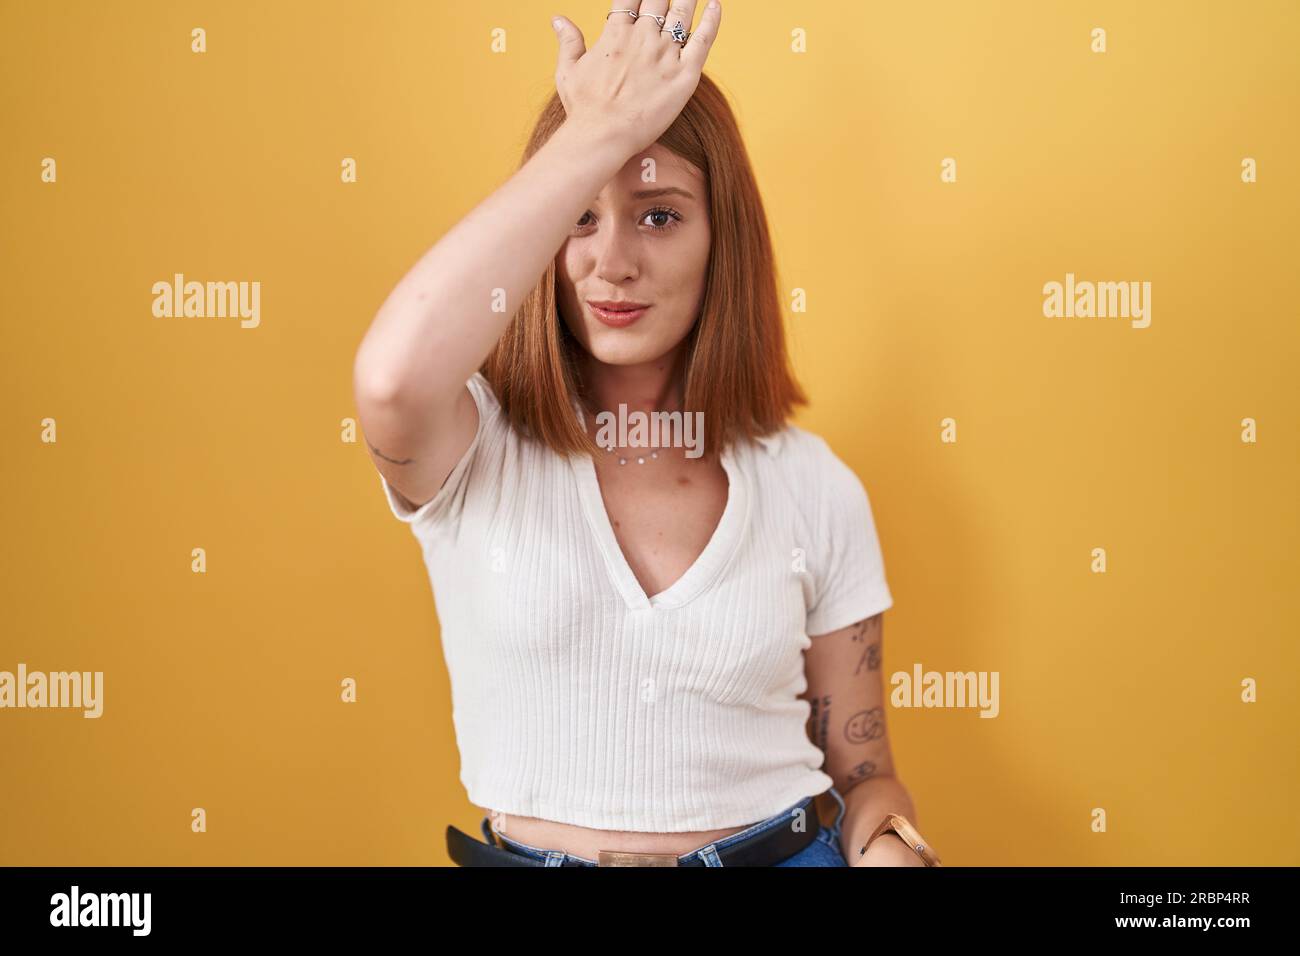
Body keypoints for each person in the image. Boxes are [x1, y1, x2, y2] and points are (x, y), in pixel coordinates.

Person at [353, 0, 928, 867]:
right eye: (578, 216)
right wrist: (599, 130)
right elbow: (389, 380)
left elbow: (866, 774)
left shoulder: (815, 485)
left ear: (718, 238)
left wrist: (890, 844)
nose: (611, 260)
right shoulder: (473, 448)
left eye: (658, 214)